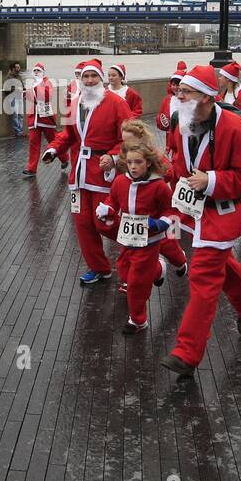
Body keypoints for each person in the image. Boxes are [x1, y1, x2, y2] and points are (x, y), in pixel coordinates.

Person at [159, 66, 241, 379]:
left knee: (203, 275)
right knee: (220, 263)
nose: (178, 95)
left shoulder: (234, 127)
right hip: (192, 210)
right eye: (179, 91)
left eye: (186, 92)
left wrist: (212, 180)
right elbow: (179, 162)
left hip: (223, 211)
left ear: (205, 96)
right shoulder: (181, 123)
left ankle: (187, 353)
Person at [42, 58, 133, 285]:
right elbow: (68, 134)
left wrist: (113, 157)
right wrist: (53, 148)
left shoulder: (116, 103)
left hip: (103, 172)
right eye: (86, 77)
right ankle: (99, 268)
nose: (90, 80)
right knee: (82, 224)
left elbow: (129, 138)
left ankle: (137, 247)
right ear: (80, 80)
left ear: (101, 79)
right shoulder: (75, 103)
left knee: (104, 222)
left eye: (94, 76)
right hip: (80, 173)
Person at [96, 140, 173, 335]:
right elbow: (113, 200)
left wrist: (159, 223)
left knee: (136, 281)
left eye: (138, 162)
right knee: (123, 270)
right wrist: (107, 209)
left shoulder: (159, 186)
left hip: (149, 241)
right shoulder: (121, 181)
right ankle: (158, 269)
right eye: (129, 162)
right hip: (128, 238)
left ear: (148, 162)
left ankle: (139, 320)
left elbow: (171, 211)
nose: (133, 166)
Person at [119, 119, 188, 278]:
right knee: (138, 249)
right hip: (138, 213)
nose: (126, 144)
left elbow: (170, 172)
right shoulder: (126, 156)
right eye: (123, 140)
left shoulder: (154, 154)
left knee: (170, 243)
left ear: (141, 138)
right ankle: (151, 272)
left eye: (130, 140)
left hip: (161, 206)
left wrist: (153, 180)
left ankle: (180, 261)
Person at [23, 62, 56, 177]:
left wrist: (34, 92)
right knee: (33, 143)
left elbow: (47, 97)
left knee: (53, 141)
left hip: (46, 117)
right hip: (35, 118)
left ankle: (64, 158)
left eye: (38, 71)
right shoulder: (33, 84)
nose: (36, 73)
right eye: (35, 71)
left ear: (43, 73)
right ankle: (32, 169)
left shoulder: (47, 83)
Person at [5, 62, 26, 137]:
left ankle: (20, 130)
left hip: (20, 97)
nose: (19, 68)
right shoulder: (9, 77)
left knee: (21, 115)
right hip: (13, 98)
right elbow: (7, 89)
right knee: (15, 115)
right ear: (13, 68)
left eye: (19, 67)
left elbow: (23, 86)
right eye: (17, 67)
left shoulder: (19, 76)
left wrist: (24, 91)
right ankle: (18, 131)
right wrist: (16, 89)